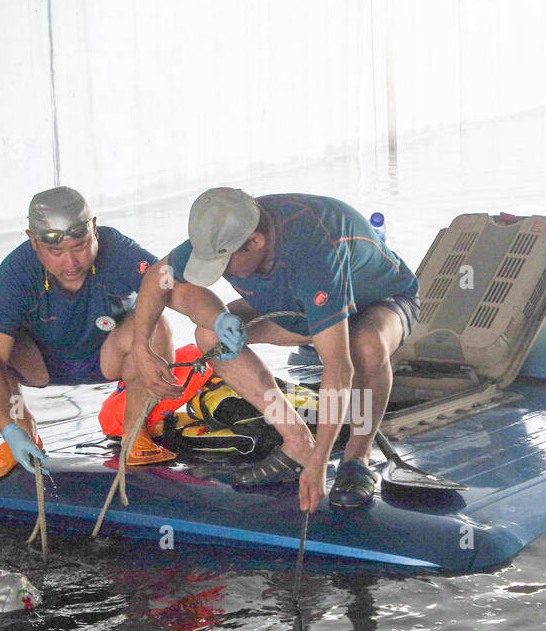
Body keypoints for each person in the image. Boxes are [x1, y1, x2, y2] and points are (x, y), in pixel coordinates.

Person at [130, 188, 421, 511]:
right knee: (210, 335)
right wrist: (142, 347)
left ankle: (357, 458)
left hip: (380, 302)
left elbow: (338, 368)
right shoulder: (224, 231)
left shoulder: (313, 252)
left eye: (224, 264)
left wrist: (321, 462)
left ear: (255, 242)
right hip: (297, 306)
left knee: (363, 346)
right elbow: (159, 276)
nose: (220, 273)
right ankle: (296, 442)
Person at [0, 186, 174, 475]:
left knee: (156, 324)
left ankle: (134, 433)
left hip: (111, 356)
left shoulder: (119, 250)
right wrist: (8, 429)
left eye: (80, 247)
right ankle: (24, 433)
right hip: (38, 363)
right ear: (33, 241)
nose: (70, 263)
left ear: (94, 228)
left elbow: (172, 289)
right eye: (56, 251)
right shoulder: (16, 272)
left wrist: (217, 319)